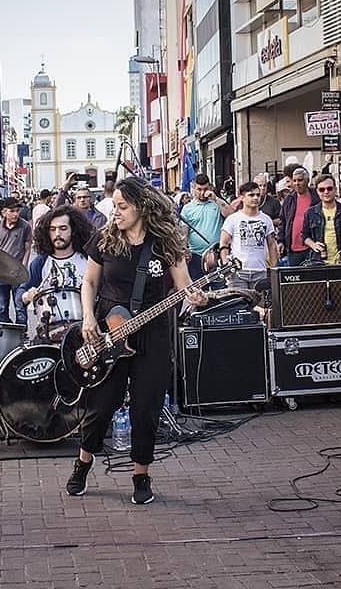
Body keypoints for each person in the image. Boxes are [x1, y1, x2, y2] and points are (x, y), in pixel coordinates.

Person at [66, 176, 208, 504]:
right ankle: (83, 462)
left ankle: (141, 475)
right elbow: (89, 282)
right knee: (101, 406)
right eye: (114, 206)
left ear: (141, 207)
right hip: (110, 330)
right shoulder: (105, 238)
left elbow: (184, 284)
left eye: (122, 206)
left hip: (152, 334)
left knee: (146, 409)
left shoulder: (165, 242)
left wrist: (196, 297)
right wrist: (88, 317)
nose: (115, 212)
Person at [21, 205, 92, 304]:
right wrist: (27, 295)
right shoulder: (40, 262)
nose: (57, 233)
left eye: (63, 228)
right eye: (52, 229)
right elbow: (21, 292)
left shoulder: (88, 259)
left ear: (73, 230)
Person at [220, 181, 278, 291]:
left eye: (258, 195)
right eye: (251, 195)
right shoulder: (233, 219)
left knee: (261, 302)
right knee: (238, 301)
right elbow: (224, 243)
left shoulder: (266, 219)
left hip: (260, 271)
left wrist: (274, 269)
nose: (256, 198)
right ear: (242, 197)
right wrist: (226, 266)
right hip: (238, 272)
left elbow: (272, 245)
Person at [179, 173, 234, 280]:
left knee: (219, 286)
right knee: (197, 286)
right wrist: (184, 251)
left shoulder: (216, 203)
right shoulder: (187, 209)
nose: (202, 193)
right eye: (199, 189)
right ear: (194, 188)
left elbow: (231, 216)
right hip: (196, 255)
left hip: (216, 254)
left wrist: (216, 199)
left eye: (205, 189)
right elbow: (184, 233)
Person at [0, 197, 32, 325]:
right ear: (4, 212)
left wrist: (23, 267)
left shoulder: (25, 226)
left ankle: (21, 332)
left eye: (17, 211)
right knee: (2, 307)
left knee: (20, 306)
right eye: (12, 211)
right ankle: (5, 331)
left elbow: (27, 249)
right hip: (1, 272)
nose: (15, 214)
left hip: (17, 271)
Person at [302, 173, 341, 264]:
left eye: (329, 188)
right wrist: (313, 245)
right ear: (317, 191)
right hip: (318, 262)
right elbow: (304, 236)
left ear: (335, 189)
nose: (326, 192)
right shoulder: (310, 213)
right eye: (322, 189)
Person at [278, 167, 318, 265]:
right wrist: (281, 241)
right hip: (293, 249)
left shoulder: (316, 197)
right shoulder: (289, 199)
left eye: (300, 180)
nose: (297, 183)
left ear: (307, 181)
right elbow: (283, 221)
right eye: (294, 180)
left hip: (312, 247)